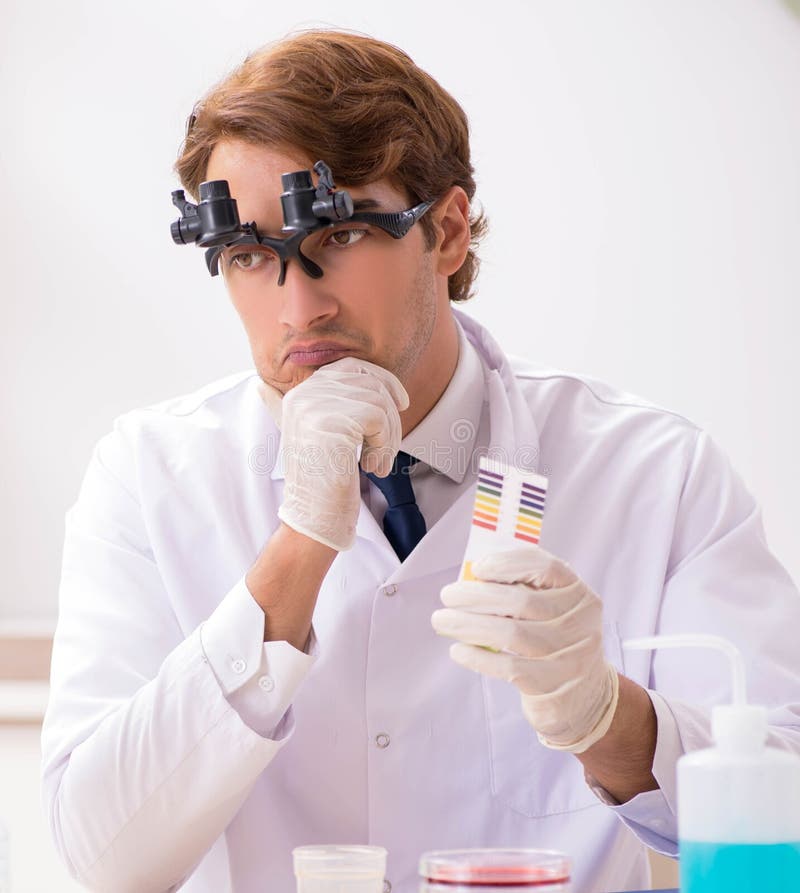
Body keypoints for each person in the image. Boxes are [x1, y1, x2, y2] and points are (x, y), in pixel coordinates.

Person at [42, 29, 800, 893]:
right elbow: (104, 860)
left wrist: (606, 716)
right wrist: (298, 549)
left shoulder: (656, 473)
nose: (298, 307)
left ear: (444, 231)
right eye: (250, 256)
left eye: (335, 239)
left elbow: (781, 795)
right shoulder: (150, 478)